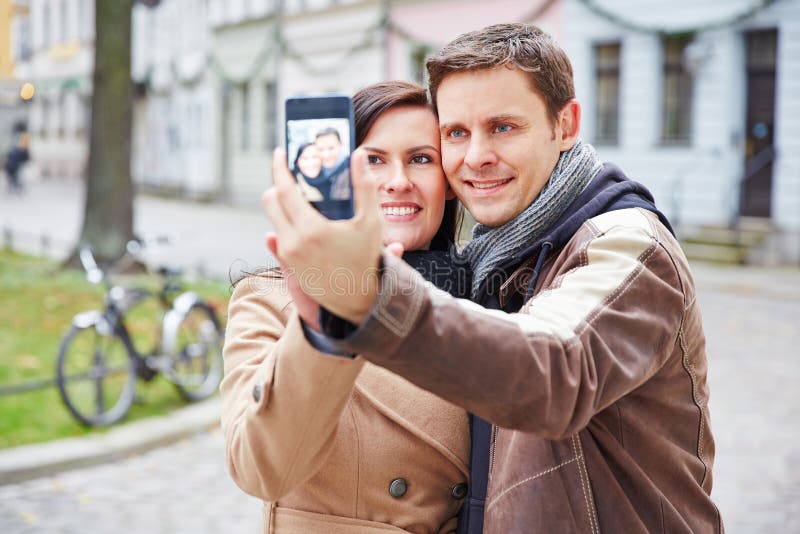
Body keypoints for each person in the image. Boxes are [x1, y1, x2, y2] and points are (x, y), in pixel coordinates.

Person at [263, 23, 723, 533]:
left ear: (565, 125)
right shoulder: (494, 257)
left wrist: (371, 294)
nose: (476, 156)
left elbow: (555, 369)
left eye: (503, 127)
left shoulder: (626, 245)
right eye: (456, 133)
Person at [221, 81, 470, 532]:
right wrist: (325, 327)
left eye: (420, 159)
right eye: (373, 160)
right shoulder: (271, 302)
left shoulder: (488, 294)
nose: (398, 181)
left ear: (448, 181)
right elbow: (260, 470)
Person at [315, 127, 351, 200]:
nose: (326, 155)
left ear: (340, 144)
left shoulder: (353, 170)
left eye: (331, 148)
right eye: (320, 149)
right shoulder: (312, 170)